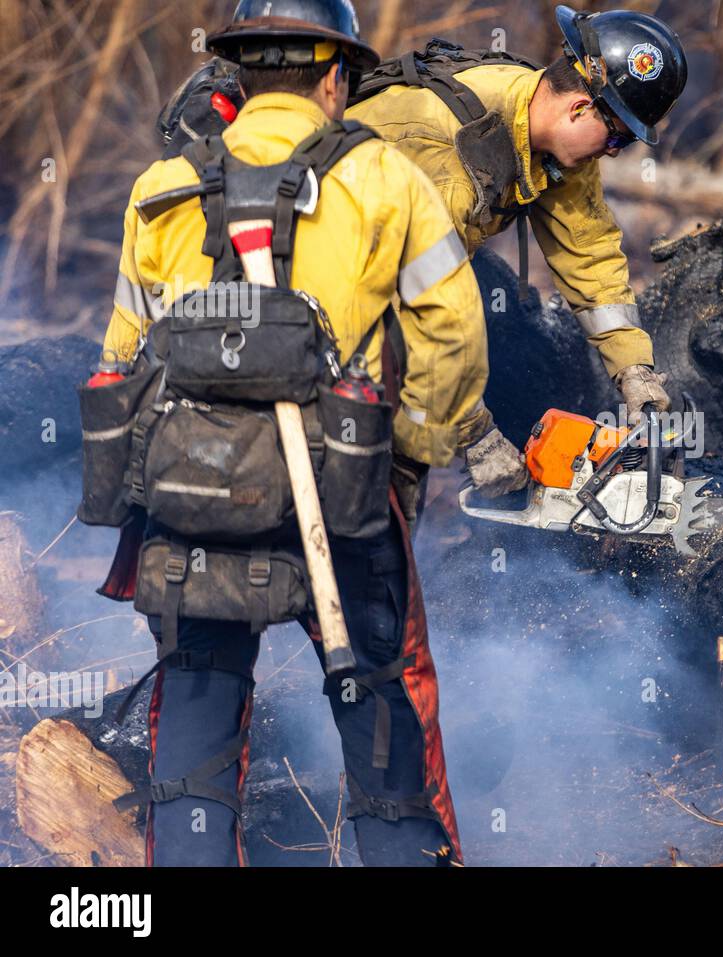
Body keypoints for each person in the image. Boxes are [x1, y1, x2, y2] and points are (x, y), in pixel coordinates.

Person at [99, 0, 483, 866]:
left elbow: (123, 355)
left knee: (195, 709)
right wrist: (411, 453)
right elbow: (454, 337)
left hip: (193, 501)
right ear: (335, 75)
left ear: (235, 74)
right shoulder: (382, 175)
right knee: (384, 699)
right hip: (342, 494)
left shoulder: (160, 186)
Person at [345, 5, 689, 495]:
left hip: (392, 292)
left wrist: (636, 372)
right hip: (317, 297)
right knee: (370, 486)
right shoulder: (447, 152)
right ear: (578, 108)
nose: (614, 151)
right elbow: (422, 307)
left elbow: (588, 251)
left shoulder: (548, 129)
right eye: (617, 137)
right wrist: (477, 435)